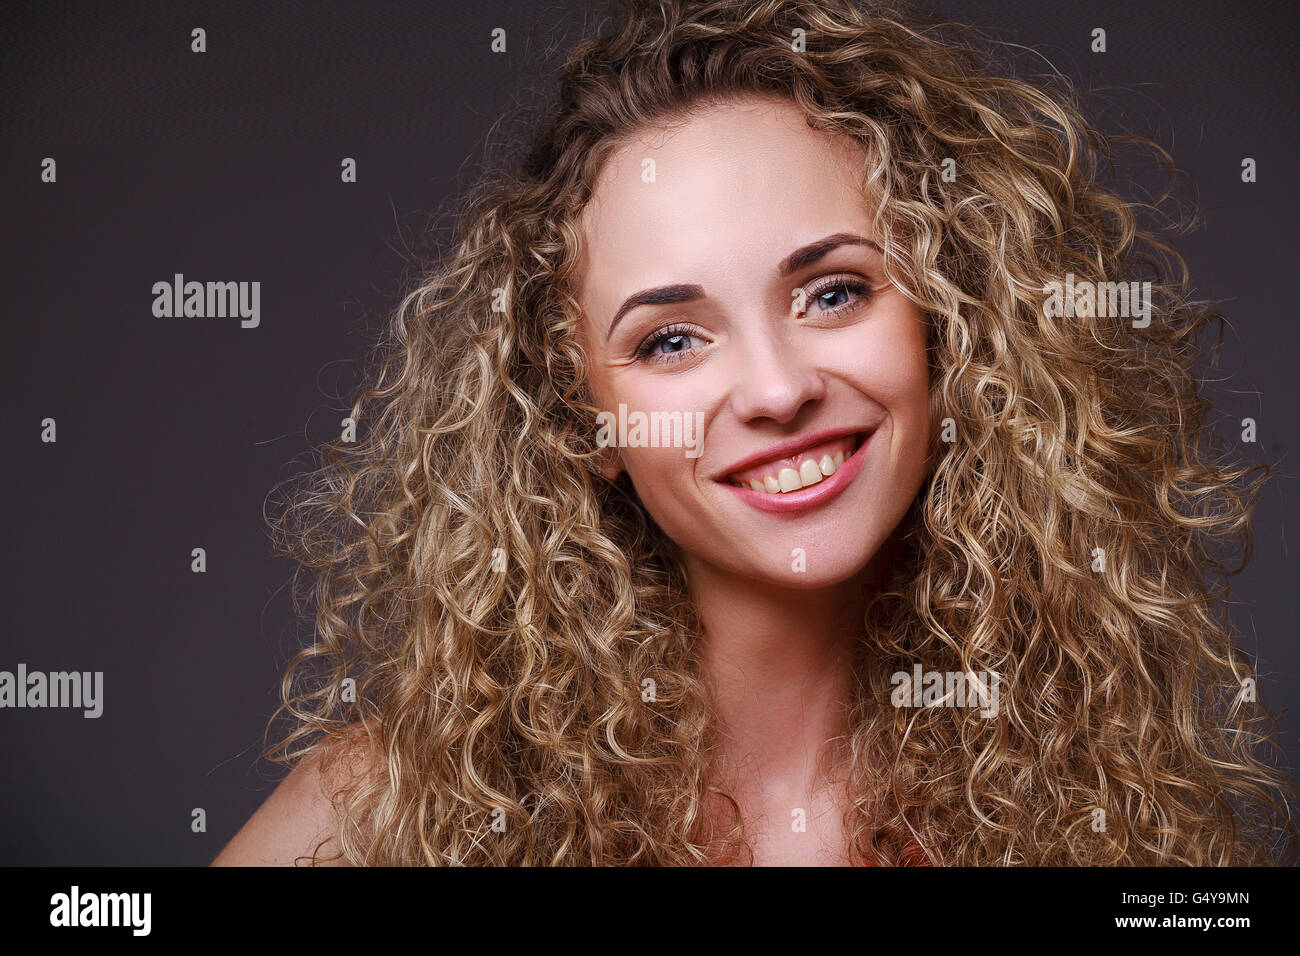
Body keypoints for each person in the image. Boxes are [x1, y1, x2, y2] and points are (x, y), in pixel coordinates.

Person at [213, 0, 1295, 866]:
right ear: (579, 418)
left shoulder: (1093, 792)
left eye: (831, 293)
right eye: (673, 341)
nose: (776, 390)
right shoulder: (396, 815)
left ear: (949, 325)